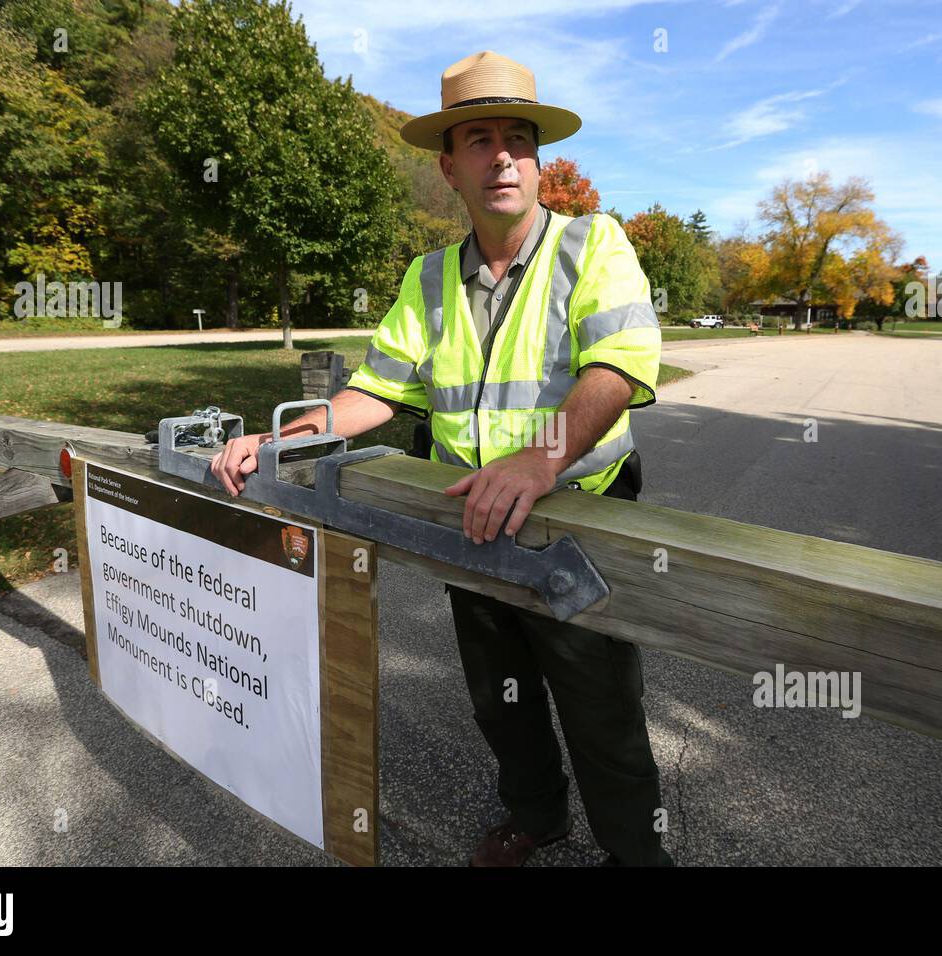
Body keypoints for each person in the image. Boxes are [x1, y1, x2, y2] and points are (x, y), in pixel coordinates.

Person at [211, 50, 671, 867]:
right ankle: (536, 817)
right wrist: (272, 438)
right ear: (449, 166)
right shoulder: (427, 279)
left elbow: (621, 367)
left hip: (577, 519)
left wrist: (538, 460)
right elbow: (374, 395)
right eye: (480, 139)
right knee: (504, 701)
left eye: (518, 140)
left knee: (601, 710)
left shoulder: (593, 245)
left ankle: (637, 854)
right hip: (471, 520)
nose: (502, 156)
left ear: (537, 163)